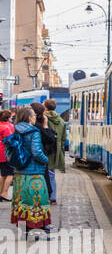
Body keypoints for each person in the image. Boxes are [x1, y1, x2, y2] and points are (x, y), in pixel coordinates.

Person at [7, 107, 51, 236]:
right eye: (34, 116)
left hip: (19, 172)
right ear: (29, 117)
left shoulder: (15, 129)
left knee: (22, 201)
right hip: (34, 173)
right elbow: (36, 152)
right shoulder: (34, 131)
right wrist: (46, 160)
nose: (35, 118)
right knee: (37, 201)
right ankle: (36, 229)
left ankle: (25, 229)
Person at [43, 100, 66, 204]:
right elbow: (64, 138)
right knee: (52, 174)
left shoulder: (44, 119)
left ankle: (47, 195)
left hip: (46, 150)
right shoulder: (61, 120)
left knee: (46, 173)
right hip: (56, 150)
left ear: (46, 108)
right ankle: (53, 197)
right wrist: (59, 147)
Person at [0, 110, 14, 203]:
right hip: (6, 153)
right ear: (8, 118)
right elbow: (10, 141)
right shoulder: (8, 127)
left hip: (0, 153)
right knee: (10, 174)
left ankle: (0, 192)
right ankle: (4, 193)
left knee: (3, 174)